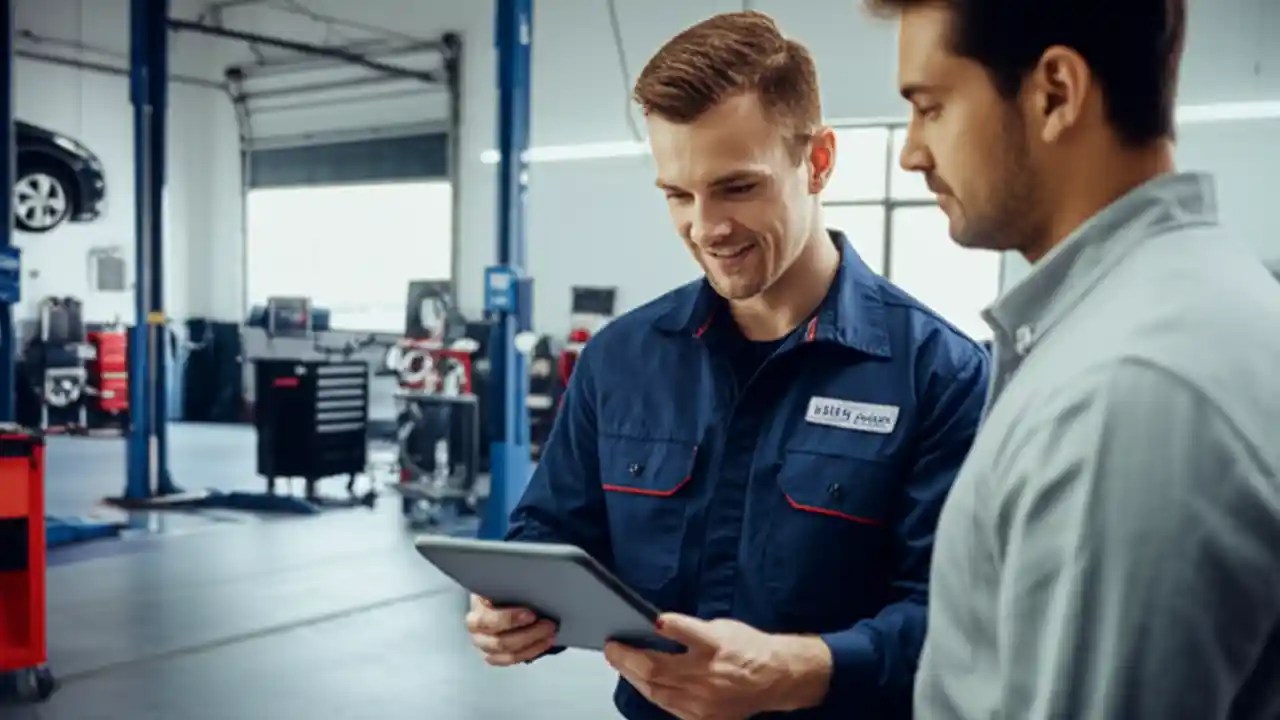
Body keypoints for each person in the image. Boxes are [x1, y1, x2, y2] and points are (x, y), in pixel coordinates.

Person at [463, 11, 990, 720]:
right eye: (678, 195)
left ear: (819, 162)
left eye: (738, 187)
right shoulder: (619, 361)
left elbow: (958, 619)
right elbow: (552, 531)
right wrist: (514, 608)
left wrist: (801, 671)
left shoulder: (939, 376)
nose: (707, 227)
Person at [863, 1, 1280, 718]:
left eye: (930, 108)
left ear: (1055, 93)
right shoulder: (1177, 308)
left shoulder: (1126, 391)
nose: (913, 152)